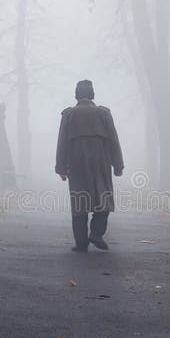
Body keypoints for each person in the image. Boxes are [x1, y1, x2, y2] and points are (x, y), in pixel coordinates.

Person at [55, 80, 124, 252]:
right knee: (104, 199)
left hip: (77, 164)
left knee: (79, 202)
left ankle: (81, 243)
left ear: (76, 95)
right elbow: (114, 140)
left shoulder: (69, 115)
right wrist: (118, 165)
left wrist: (61, 167)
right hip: (101, 162)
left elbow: (62, 143)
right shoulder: (104, 113)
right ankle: (96, 233)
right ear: (93, 95)